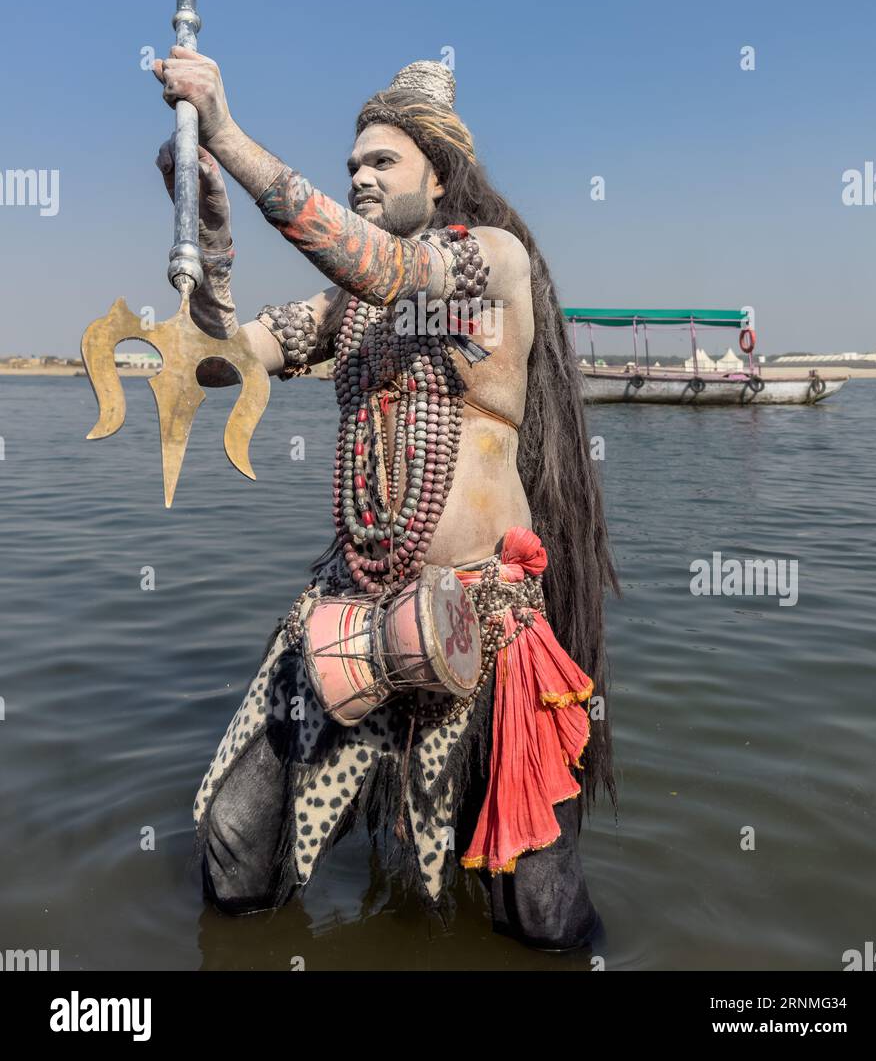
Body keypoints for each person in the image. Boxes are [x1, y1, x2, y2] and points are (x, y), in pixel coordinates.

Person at [153, 47, 618, 952]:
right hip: (349, 612)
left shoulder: (486, 262)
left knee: (539, 913)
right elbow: (217, 363)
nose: (360, 177)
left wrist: (230, 137)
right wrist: (209, 227)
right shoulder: (345, 309)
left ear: (437, 178)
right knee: (235, 851)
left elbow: (392, 272)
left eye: (381, 162)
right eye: (352, 166)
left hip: (482, 628)